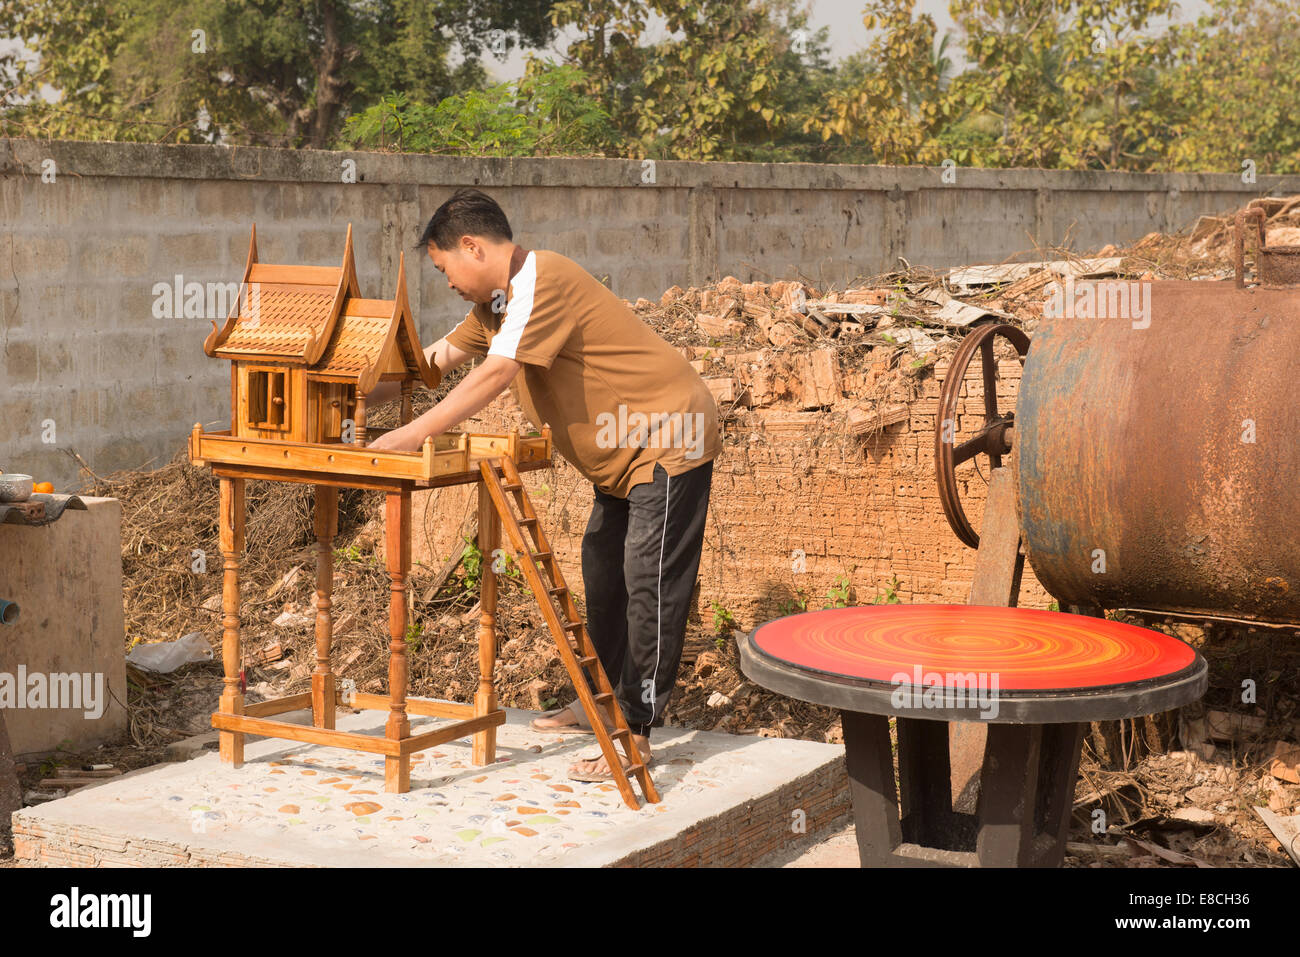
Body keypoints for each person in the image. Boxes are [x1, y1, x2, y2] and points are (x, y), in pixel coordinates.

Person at [366, 188, 721, 782]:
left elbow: (498, 373)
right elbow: (432, 362)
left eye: (442, 266)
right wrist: (341, 387)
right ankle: (598, 706)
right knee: (604, 577)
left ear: (471, 247)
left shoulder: (543, 281)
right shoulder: (497, 308)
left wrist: (408, 436)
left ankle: (635, 730)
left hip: (668, 437)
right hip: (622, 457)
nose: (445, 281)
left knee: (648, 583)